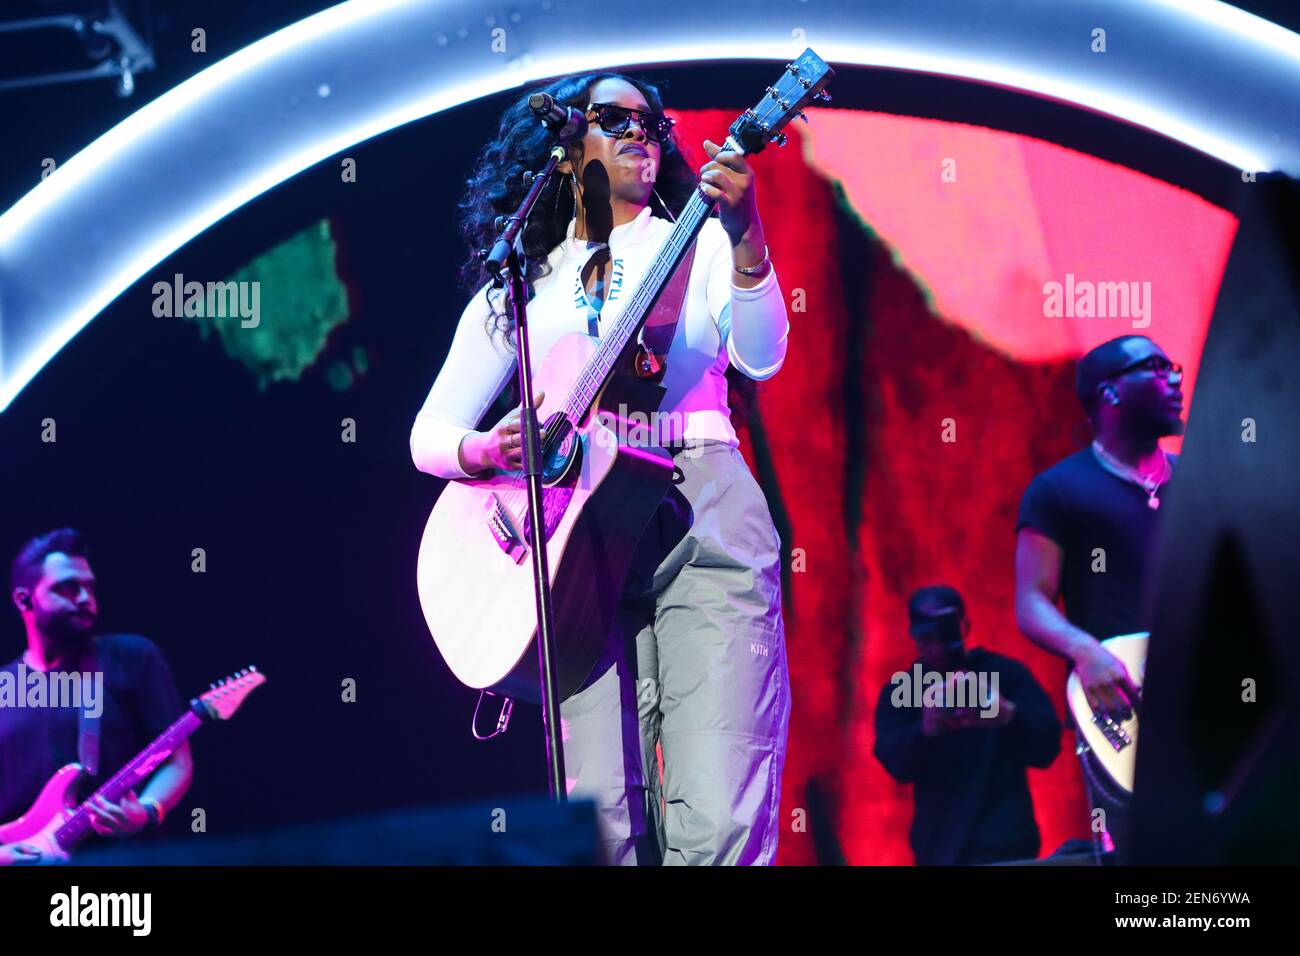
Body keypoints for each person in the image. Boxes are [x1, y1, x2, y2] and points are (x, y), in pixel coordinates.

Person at [410, 72, 791, 864]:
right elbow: (429, 433)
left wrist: (748, 233)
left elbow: (763, 356)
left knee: (720, 800)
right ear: (562, 144)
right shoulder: (523, 281)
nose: (639, 132)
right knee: (602, 817)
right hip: (568, 541)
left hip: (699, 501)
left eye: (652, 122)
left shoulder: (701, 239)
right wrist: (485, 450)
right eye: (612, 118)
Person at [1014, 334, 1185, 854]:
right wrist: (1086, 652)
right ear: (1110, 393)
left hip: (1202, 695)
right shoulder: (1059, 490)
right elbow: (1031, 601)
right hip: (1122, 705)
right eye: (1156, 368)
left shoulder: (1196, 480)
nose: (1175, 378)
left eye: (1173, 367)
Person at [0, 528, 193, 865]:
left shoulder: (133, 658)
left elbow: (176, 762)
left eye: (89, 586)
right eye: (67, 587)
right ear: (23, 599)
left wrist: (147, 812)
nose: (84, 598)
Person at [874, 585, 1061, 865]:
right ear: (914, 637)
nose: (936, 648)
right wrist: (925, 730)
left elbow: (1048, 745)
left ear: (965, 627)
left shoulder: (1005, 675)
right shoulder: (904, 689)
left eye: (944, 636)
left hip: (1005, 844)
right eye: (926, 639)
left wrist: (1007, 715)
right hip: (940, 846)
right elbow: (892, 759)